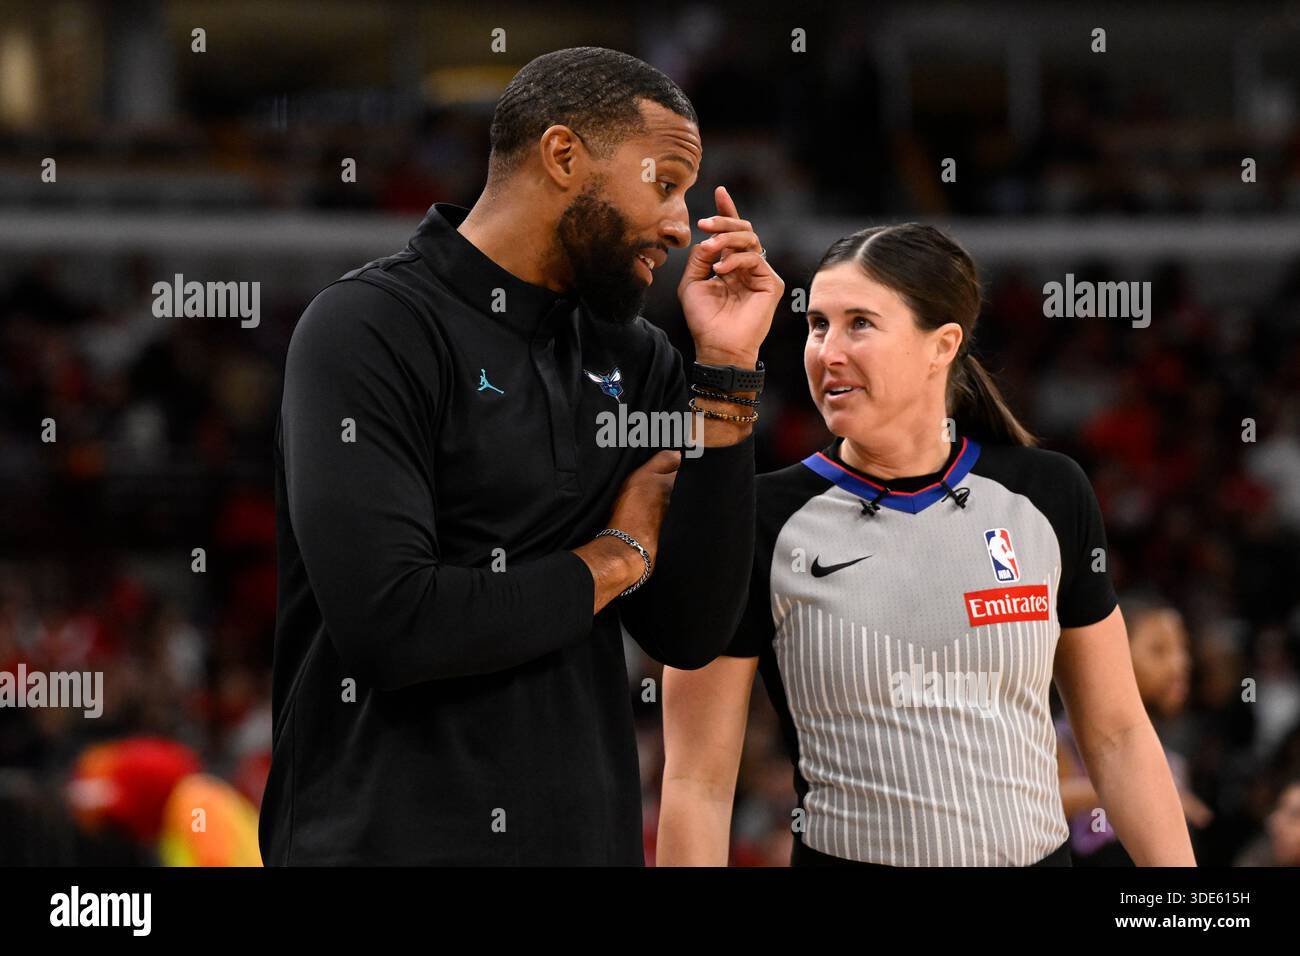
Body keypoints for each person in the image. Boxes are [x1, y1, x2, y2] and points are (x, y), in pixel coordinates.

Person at [260, 47, 784, 864]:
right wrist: (614, 559)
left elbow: (687, 631)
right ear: (564, 155)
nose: (682, 226)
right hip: (379, 844)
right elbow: (393, 626)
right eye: (665, 183)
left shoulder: (638, 357)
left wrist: (724, 380)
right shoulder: (366, 330)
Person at [657, 223, 1195, 866]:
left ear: (941, 346)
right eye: (818, 324)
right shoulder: (760, 518)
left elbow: (1118, 737)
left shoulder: (1047, 493)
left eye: (860, 323)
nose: (827, 350)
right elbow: (698, 783)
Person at [1057, 593, 1211, 865]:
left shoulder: (1174, 756)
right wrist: (1136, 791)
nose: (1180, 663)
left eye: (1182, 648)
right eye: (1159, 650)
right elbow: (1040, 801)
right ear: (1116, 654)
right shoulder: (1064, 737)